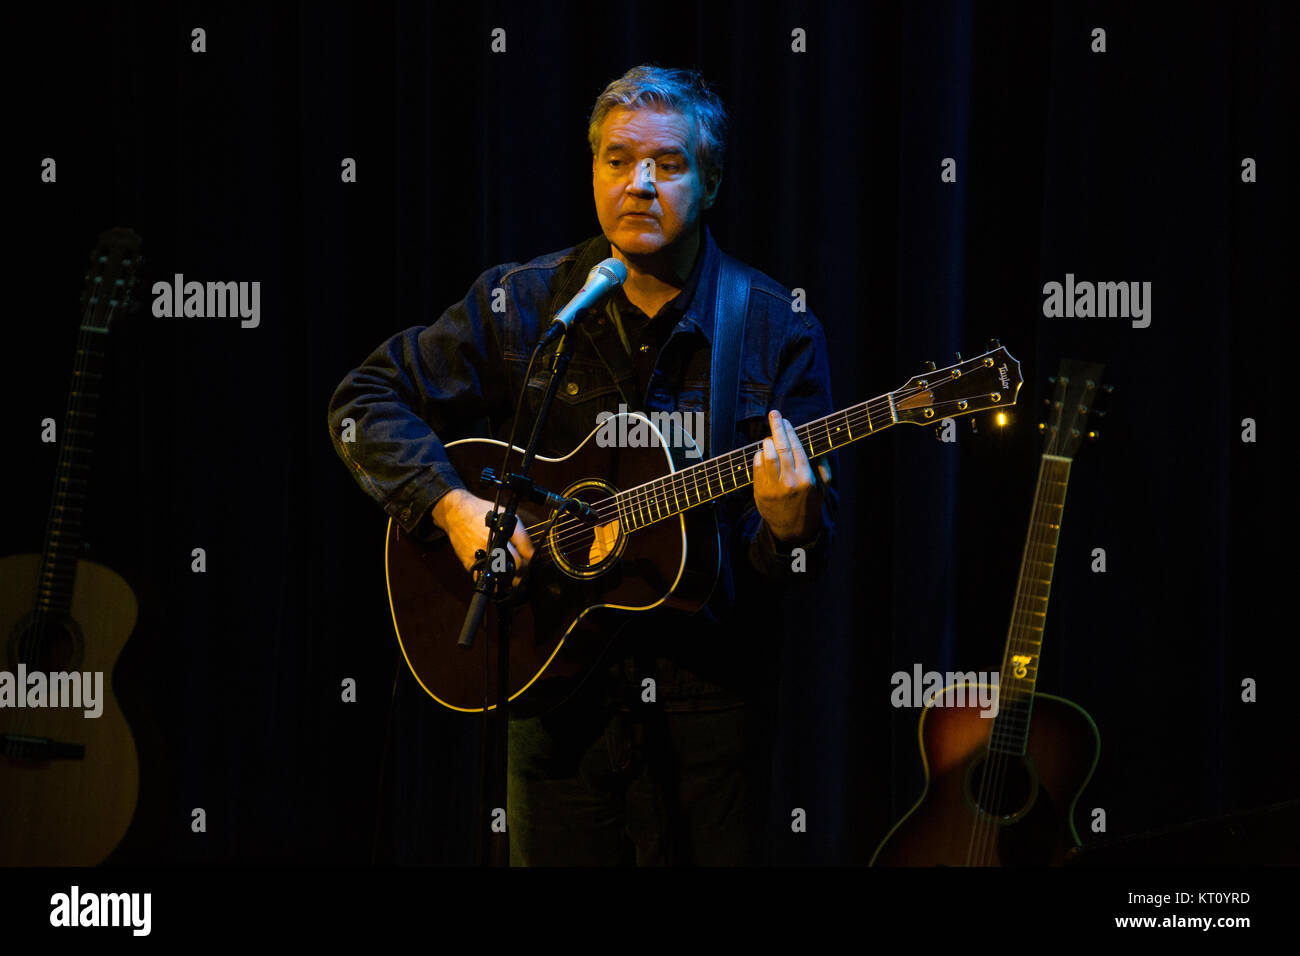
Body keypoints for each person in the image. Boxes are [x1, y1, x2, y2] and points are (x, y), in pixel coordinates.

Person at [327, 64, 838, 865]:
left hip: (708, 711)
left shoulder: (775, 326)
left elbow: (797, 564)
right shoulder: (526, 303)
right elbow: (364, 400)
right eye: (618, 159)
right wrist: (451, 507)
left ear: (710, 182)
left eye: (668, 164)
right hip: (550, 688)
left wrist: (789, 526)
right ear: (594, 171)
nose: (640, 183)